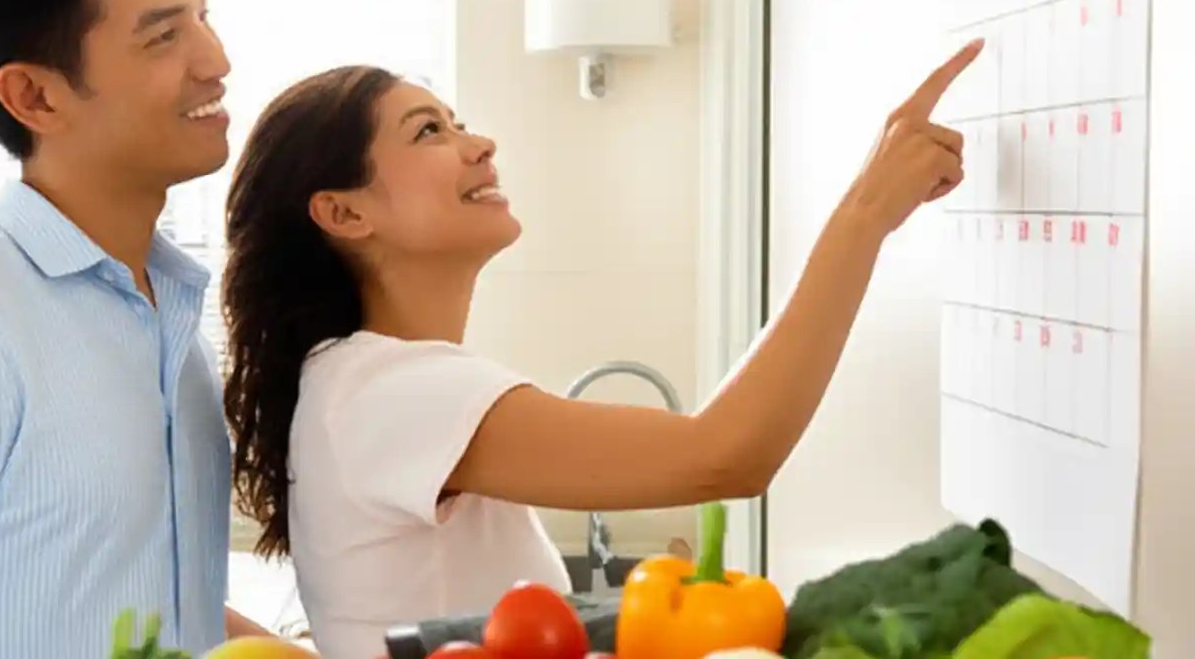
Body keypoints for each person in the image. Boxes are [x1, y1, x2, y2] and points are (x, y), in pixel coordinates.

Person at [221, 40, 983, 657]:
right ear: (344, 213)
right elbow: (727, 455)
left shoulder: (356, 383)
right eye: (429, 131)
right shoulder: (388, 389)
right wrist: (866, 212)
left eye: (456, 122)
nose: (479, 144)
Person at [0, 0, 277, 655]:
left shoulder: (169, 314)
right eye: (163, 35)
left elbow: (149, 594)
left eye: (203, 18)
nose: (216, 60)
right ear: (35, 96)